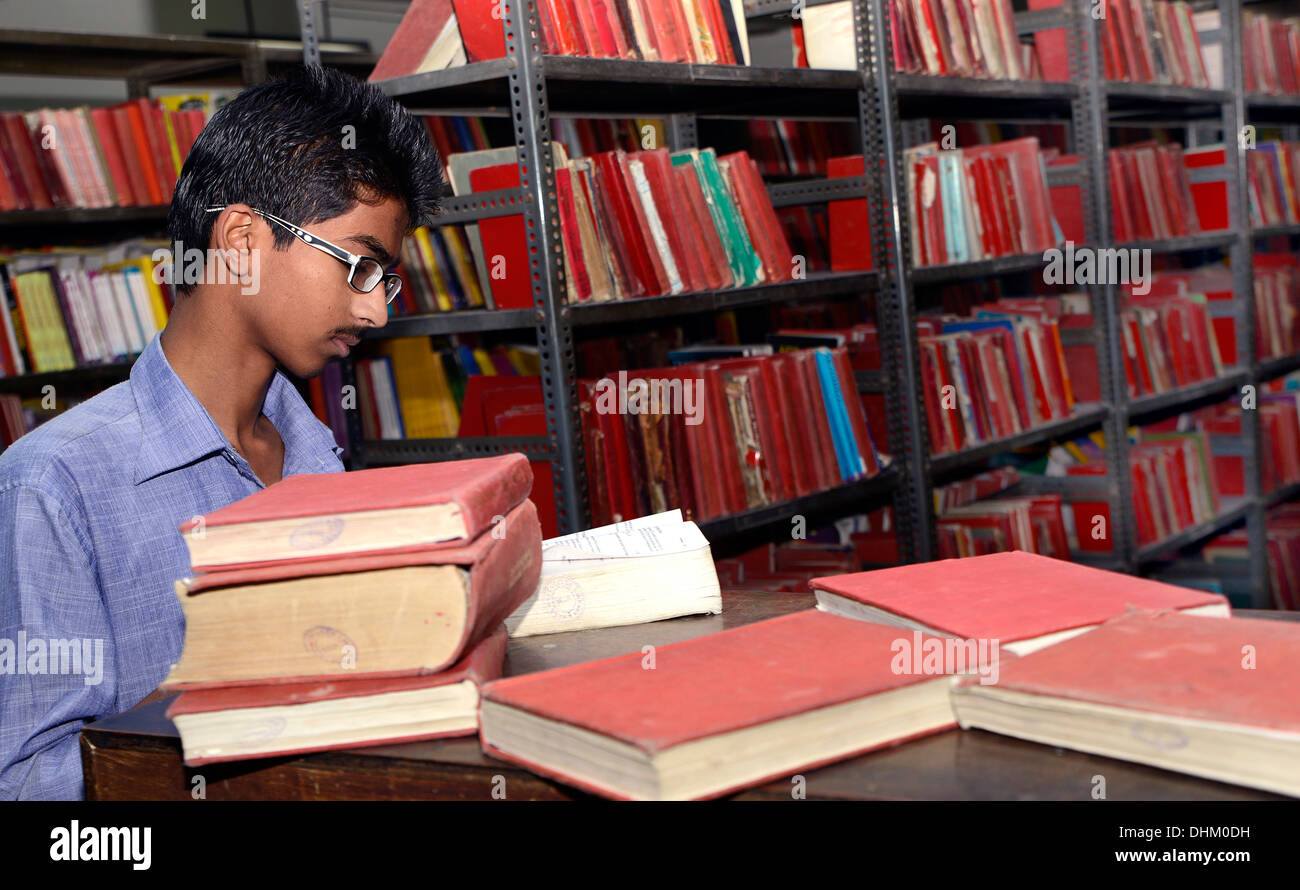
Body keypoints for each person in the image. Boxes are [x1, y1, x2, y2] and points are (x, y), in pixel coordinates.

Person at [0, 65, 443, 799]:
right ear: (240, 239)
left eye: (386, 280)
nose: (377, 314)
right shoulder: (53, 485)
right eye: (361, 268)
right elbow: (26, 784)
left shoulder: (319, 461)